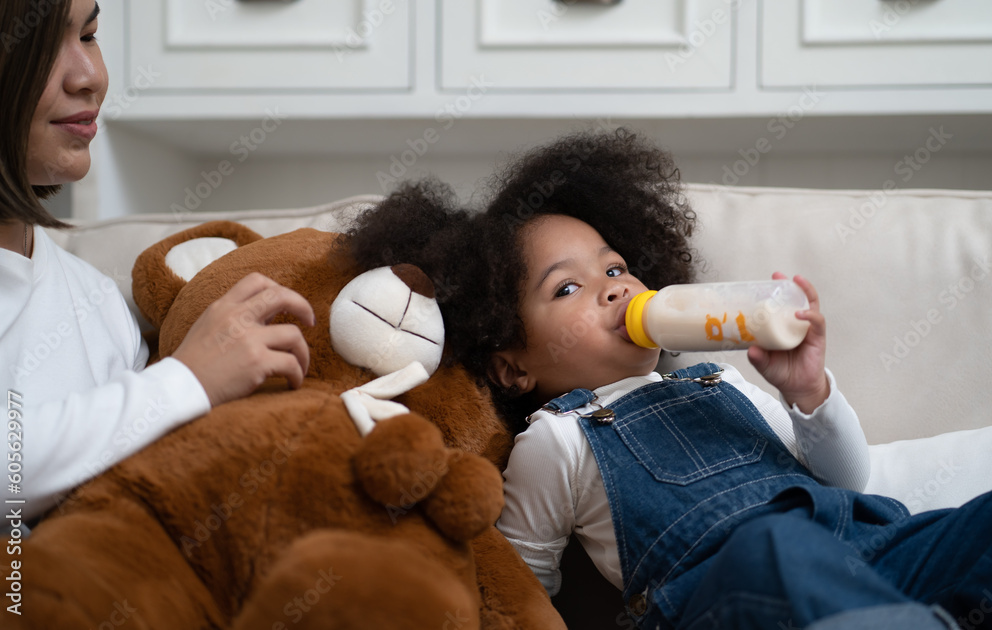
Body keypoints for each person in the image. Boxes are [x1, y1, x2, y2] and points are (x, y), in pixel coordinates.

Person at [341, 128, 992, 630]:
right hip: (728, 593)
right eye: (568, 287)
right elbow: (521, 583)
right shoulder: (558, 440)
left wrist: (808, 393)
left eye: (617, 268)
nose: (612, 289)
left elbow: (849, 482)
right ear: (513, 364)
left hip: (873, 547)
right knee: (774, 544)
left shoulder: (723, 380)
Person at [0, 0, 315, 535]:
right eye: (46, 44)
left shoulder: (96, 302)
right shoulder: (169, 378)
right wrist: (185, 381)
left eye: (90, 34)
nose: (91, 77)